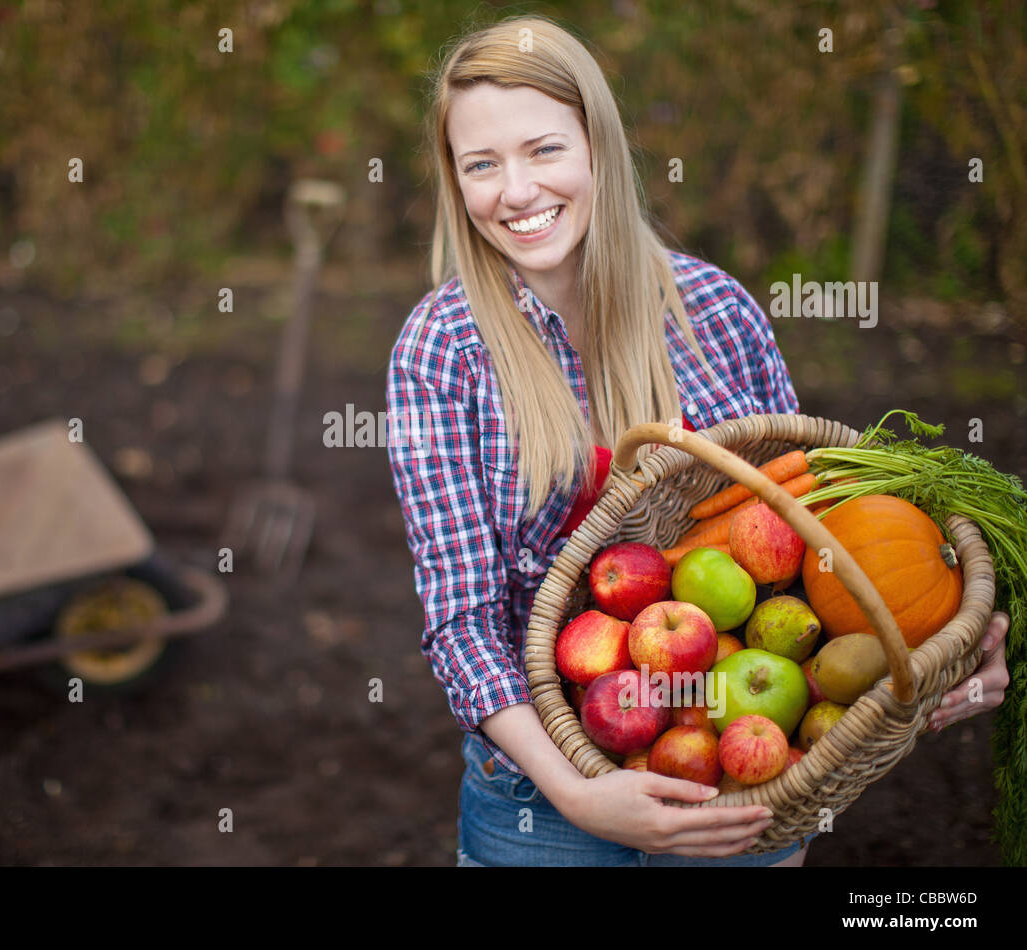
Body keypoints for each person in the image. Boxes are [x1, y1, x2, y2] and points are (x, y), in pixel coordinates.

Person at [384, 14, 1011, 867]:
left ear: (599, 147)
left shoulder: (712, 310)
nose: (517, 191)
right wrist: (579, 795)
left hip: (739, 773)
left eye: (543, 150)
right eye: (481, 165)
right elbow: (460, 619)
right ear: (455, 184)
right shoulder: (442, 351)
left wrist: (947, 644)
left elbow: (816, 525)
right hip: (539, 801)